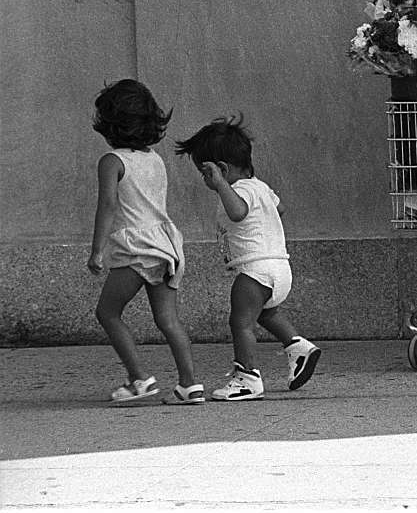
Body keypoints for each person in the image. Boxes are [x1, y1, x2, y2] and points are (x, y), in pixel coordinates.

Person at [175, 116, 321, 401]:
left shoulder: (238, 190)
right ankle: (297, 346)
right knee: (265, 313)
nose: (205, 180)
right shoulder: (261, 187)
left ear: (221, 169)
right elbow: (280, 211)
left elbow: (238, 212)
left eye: (205, 173)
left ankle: (247, 377)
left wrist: (220, 186)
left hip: (255, 268)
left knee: (240, 322)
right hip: (279, 267)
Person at [89, 79, 203, 405]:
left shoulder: (112, 161)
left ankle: (139, 378)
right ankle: (189, 385)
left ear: (110, 124)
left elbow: (108, 206)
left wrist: (97, 251)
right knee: (168, 320)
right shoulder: (154, 159)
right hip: (166, 246)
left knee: (108, 313)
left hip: (136, 249)